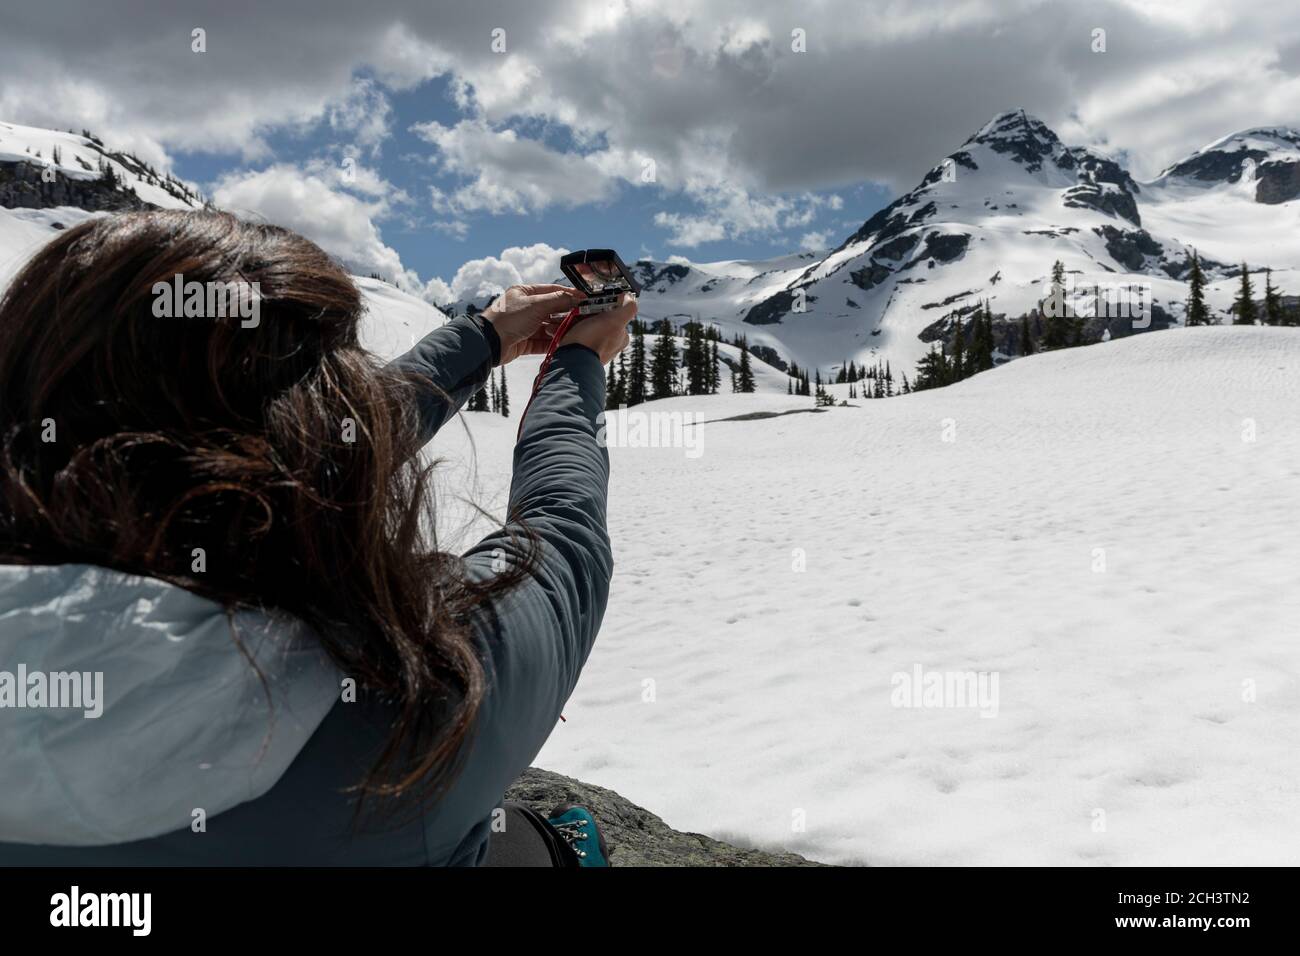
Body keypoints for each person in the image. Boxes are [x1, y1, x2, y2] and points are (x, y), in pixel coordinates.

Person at [0, 210, 632, 865]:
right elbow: (563, 535)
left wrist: (485, 336)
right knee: (530, 843)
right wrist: (579, 361)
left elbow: (303, 452)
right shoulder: (425, 694)